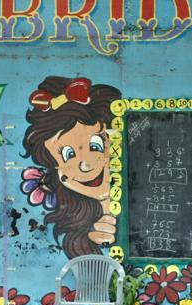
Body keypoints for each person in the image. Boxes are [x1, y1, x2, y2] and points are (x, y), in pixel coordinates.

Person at [21, 76, 122, 259]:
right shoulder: (80, 230)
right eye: (68, 155)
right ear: (57, 172)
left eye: (96, 146)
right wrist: (89, 238)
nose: (85, 165)